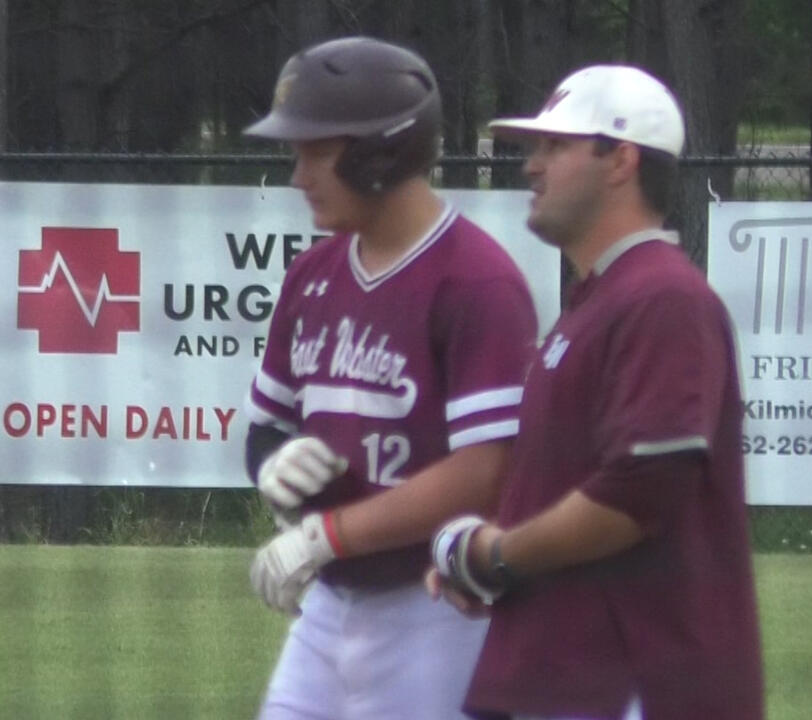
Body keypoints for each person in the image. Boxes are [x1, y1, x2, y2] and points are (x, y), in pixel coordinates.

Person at [427, 65, 766, 720]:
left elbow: (638, 493)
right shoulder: (599, 301)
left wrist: (494, 554)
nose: (532, 167)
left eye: (556, 147)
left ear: (622, 161)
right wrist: (485, 553)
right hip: (569, 675)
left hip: (632, 684)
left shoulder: (662, 296)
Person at [242, 36, 538, 720]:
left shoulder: (476, 280)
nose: (298, 174)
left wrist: (325, 535)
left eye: (316, 151)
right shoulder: (311, 275)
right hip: (328, 609)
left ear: (382, 152)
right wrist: (273, 467)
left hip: (437, 613)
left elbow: (486, 472)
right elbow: (266, 428)